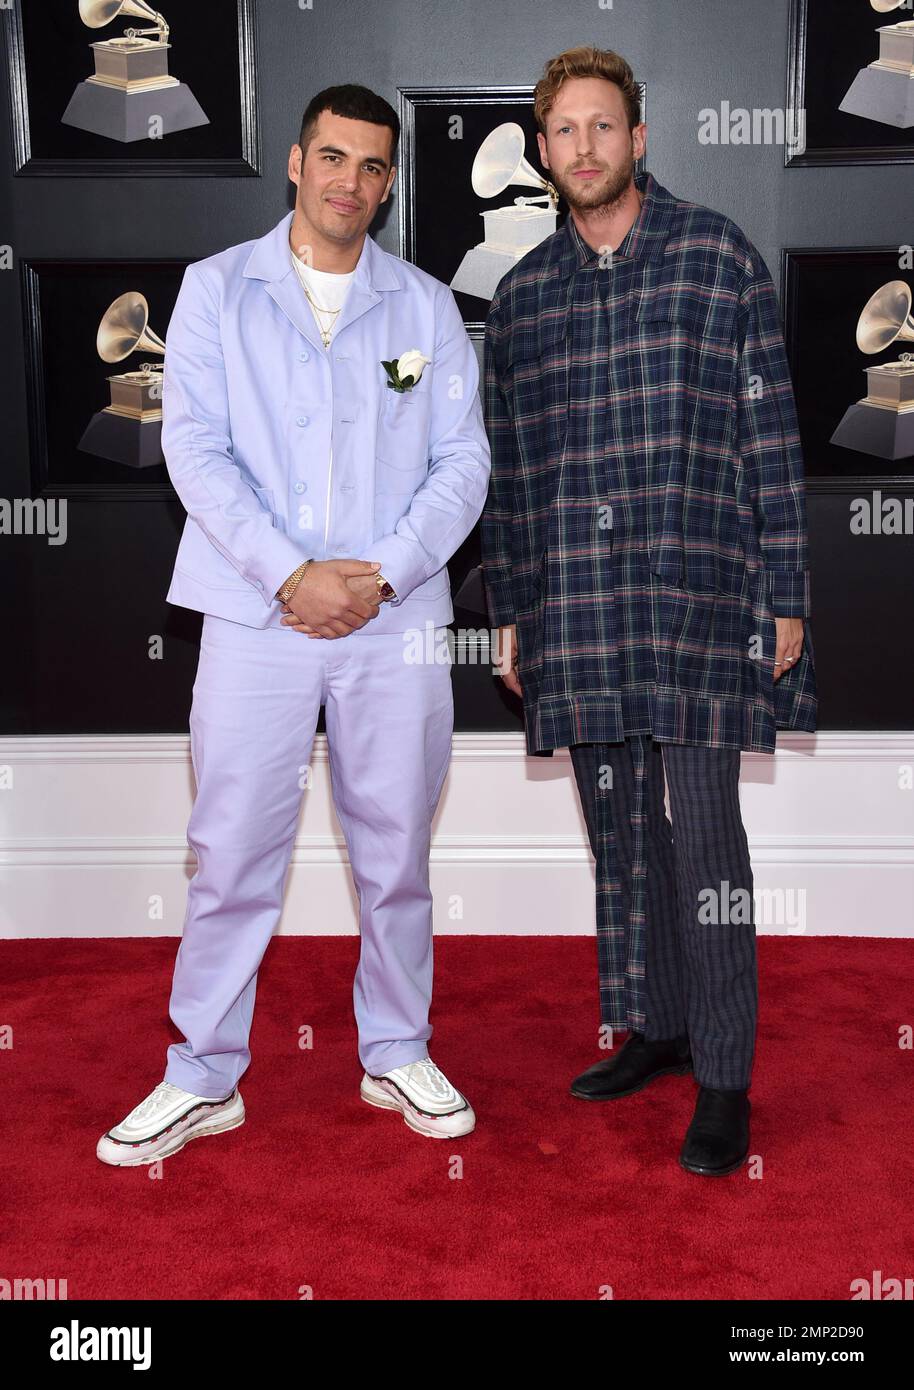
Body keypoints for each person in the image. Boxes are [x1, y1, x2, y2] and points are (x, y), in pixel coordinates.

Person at [97, 85, 490, 1166]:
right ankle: (202, 1071)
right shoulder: (217, 290)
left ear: (391, 178)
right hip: (252, 614)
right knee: (229, 851)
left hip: (390, 616)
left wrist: (384, 575)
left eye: (371, 166)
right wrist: (288, 576)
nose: (349, 183)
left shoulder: (422, 306)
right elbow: (197, 455)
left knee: (397, 848)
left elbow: (463, 465)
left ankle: (396, 1046)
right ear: (292, 160)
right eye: (332, 158)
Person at [480, 46, 816, 1176]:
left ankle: (722, 1076)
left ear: (637, 138)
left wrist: (785, 597)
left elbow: (770, 439)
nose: (583, 147)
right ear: (542, 152)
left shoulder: (717, 257)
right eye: (562, 131)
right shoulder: (521, 299)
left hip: (703, 592)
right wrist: (513, 615)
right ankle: (658, 1027)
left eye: (602, 126)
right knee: (620, 834)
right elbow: (513, 480)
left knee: (705, 836)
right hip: (578, 603)